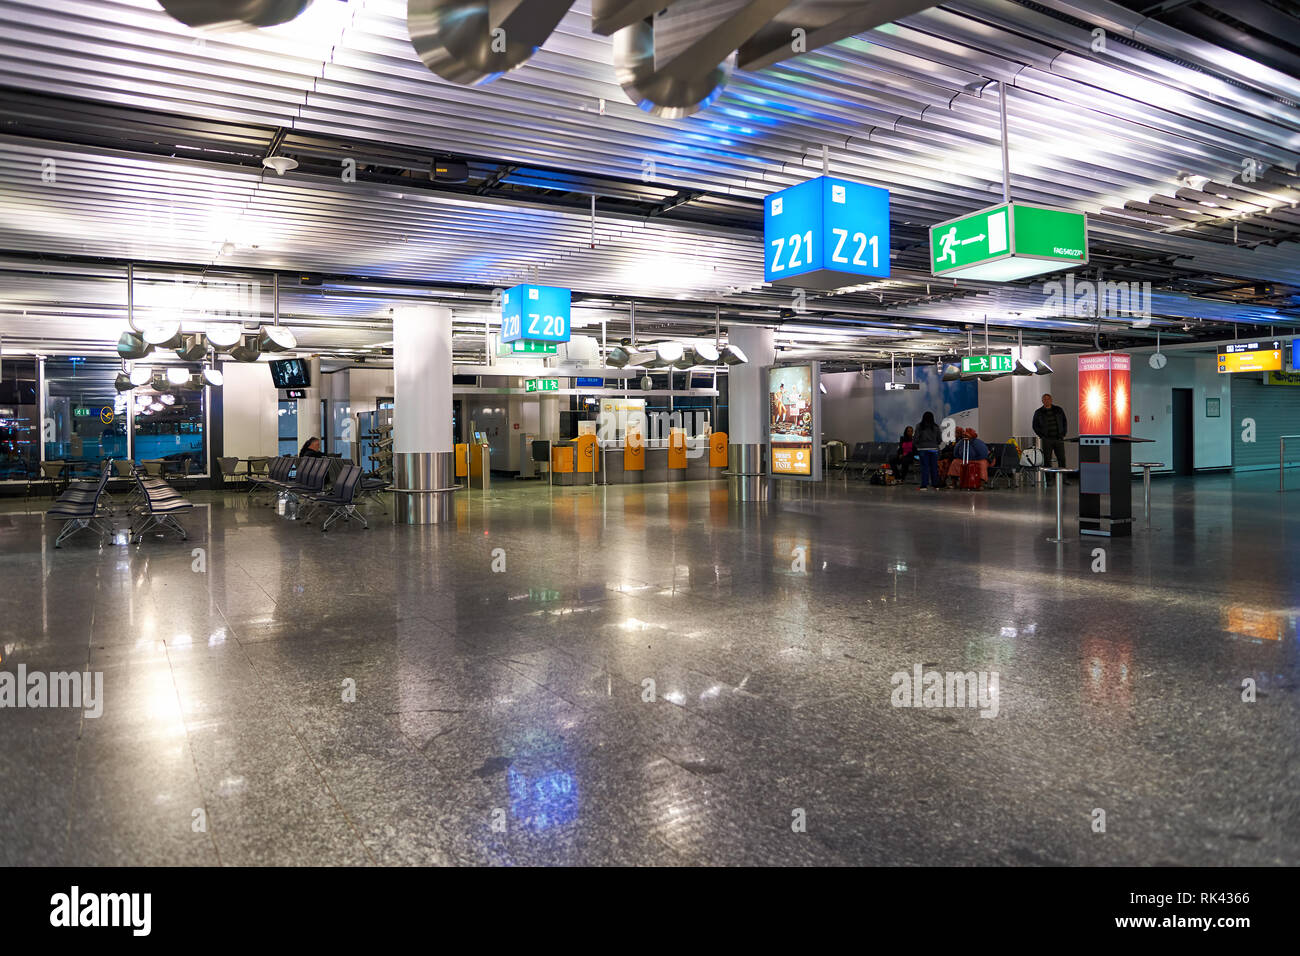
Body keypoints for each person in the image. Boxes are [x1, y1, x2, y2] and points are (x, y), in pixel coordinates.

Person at [1032, 393, 1068, 469]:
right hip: (1047, 439)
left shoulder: (1058, 410)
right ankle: (1048, 480)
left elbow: (1064, 422)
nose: (1046, 401)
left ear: (1051, 400)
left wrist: (1063, 433)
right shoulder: (1038, 412)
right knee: (1047, 460)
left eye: (1048, 399)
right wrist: (1042, 436)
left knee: (1062, 459)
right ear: (1042, 401)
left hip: (1058, 438)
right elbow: (1035, 426)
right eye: (1044, 399)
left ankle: (1063, 480)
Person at [914, 411, 941, 491]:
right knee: (934, 467)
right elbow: (939, 440)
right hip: (934, 450)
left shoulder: (919, 426)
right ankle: (935, 485)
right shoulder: (936, 427)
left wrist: (917, 446)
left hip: (922, 449)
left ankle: (924, 486)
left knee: (924, 468)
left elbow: (915, 439)